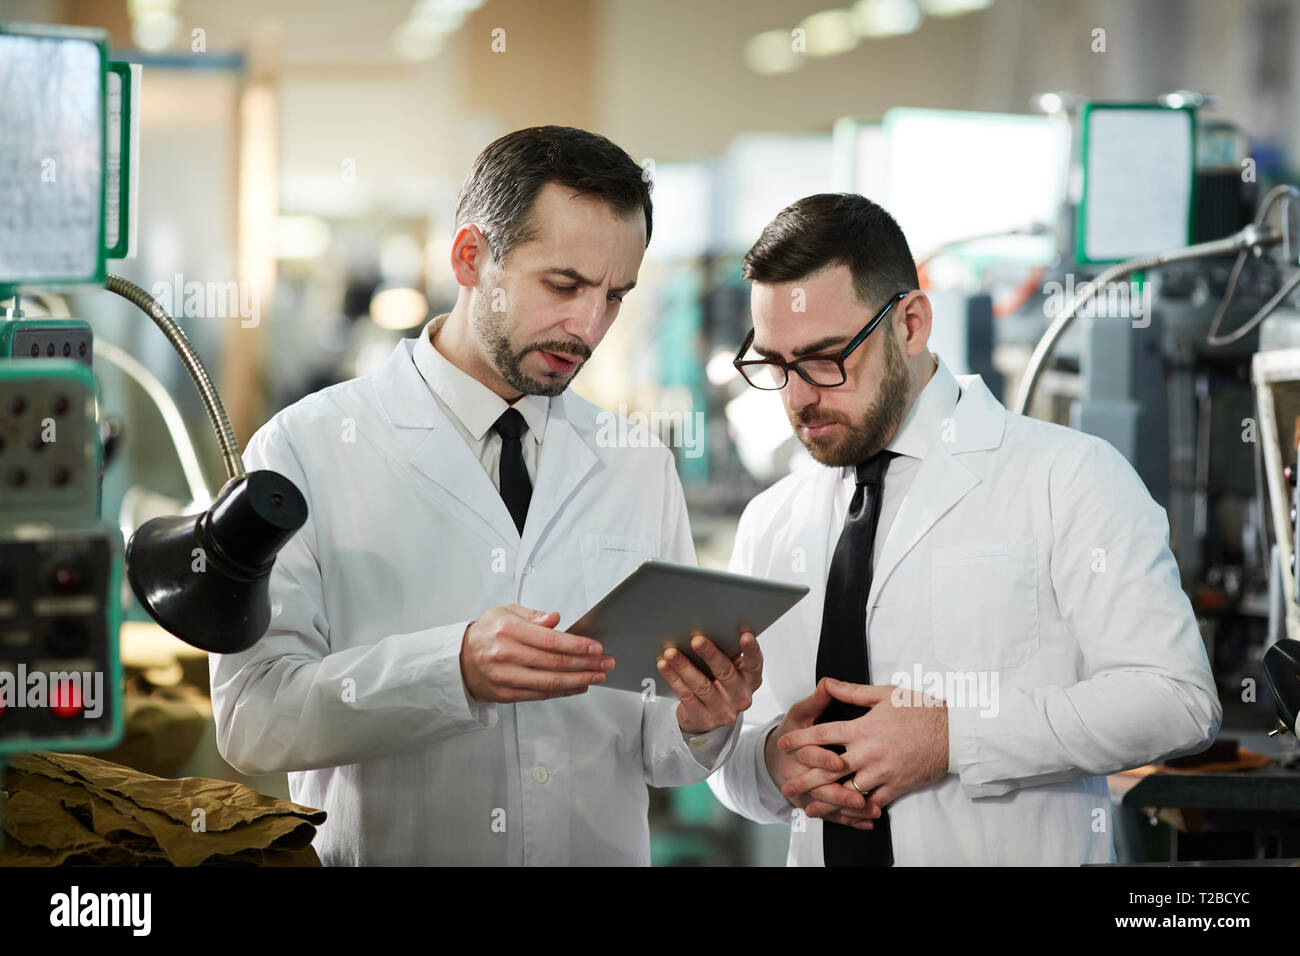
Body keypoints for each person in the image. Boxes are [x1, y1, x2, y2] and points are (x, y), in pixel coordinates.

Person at [210, 126, 763, 865]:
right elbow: (253, 718)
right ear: (471, 258)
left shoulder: (637, 464)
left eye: (614, 296)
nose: (588, 325)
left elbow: (657, 751)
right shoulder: (305, 449)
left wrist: (703, 718)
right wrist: (452, 668)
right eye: (562, 286)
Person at [707, 193, 1221, 865]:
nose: (799, 396)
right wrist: (774, 761)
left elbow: (1178, 701)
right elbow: (738, 761)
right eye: (774, 365)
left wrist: (954, 738)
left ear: (911, 323)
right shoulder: (772, 521)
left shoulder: (1067, 477)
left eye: (825, 358)